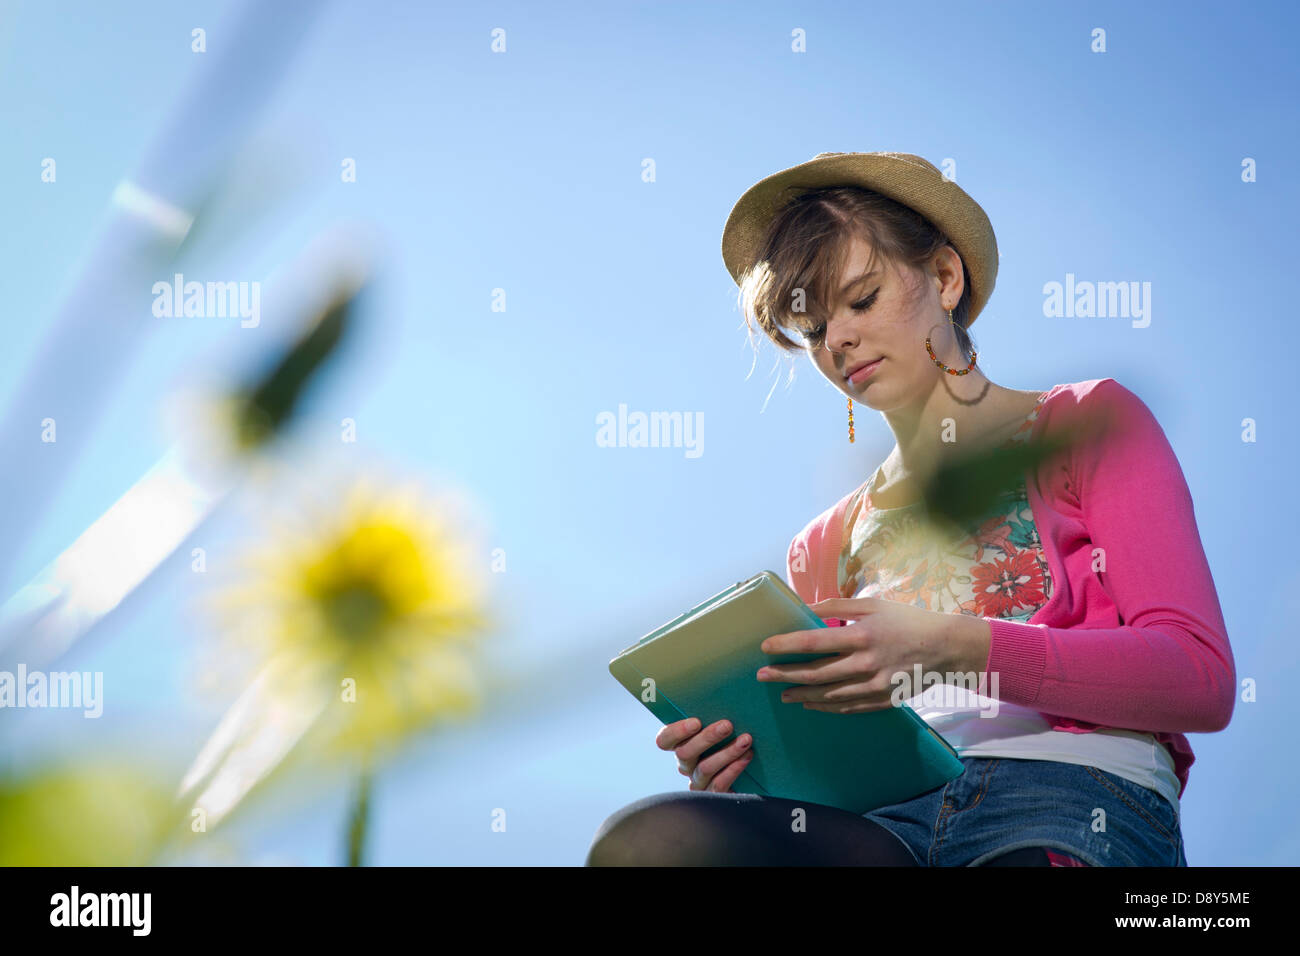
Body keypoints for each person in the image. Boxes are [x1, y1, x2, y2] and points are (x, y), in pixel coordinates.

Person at [585, 152, 1235, 866]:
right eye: (813, 329)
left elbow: (1197, 678)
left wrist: (948, 644)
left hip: (1069, 801)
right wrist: (750, 766)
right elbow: (832, 760)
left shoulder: (1087, 422)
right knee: (651, 844)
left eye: (860, 300)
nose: (837, 342)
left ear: (946, 278)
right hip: (882, 826)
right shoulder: (823, 544)